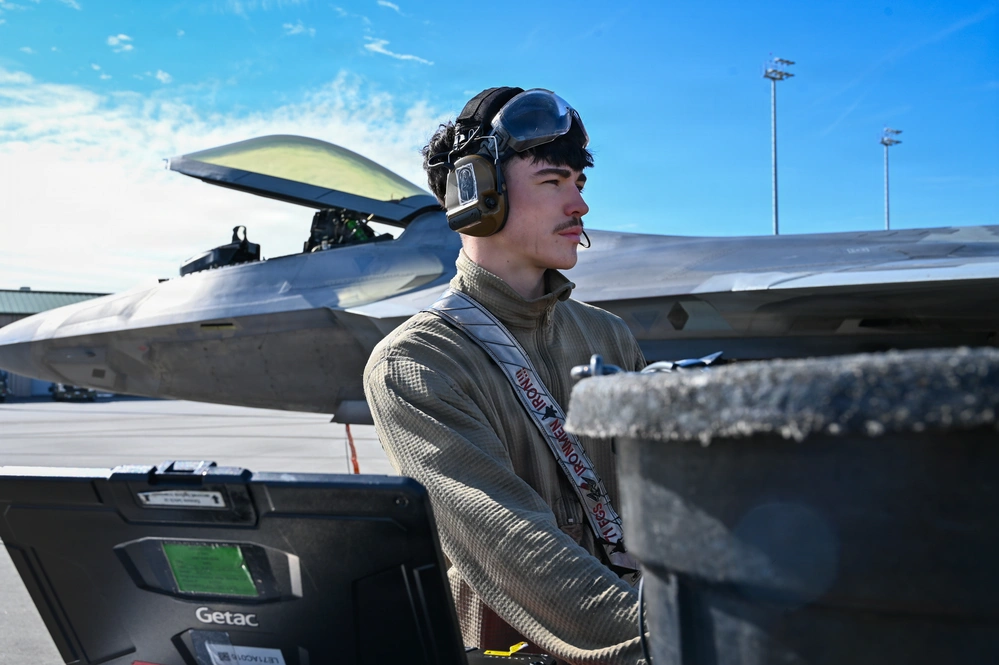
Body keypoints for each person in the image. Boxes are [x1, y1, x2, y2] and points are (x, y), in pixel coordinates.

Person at [363, 87, 646, 665]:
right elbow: (511, 543)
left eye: (579, 184)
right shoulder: (417, 363)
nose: (580, 205)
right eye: (553, 182)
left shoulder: (609, 338)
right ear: (475, 193)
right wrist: (682, 635)